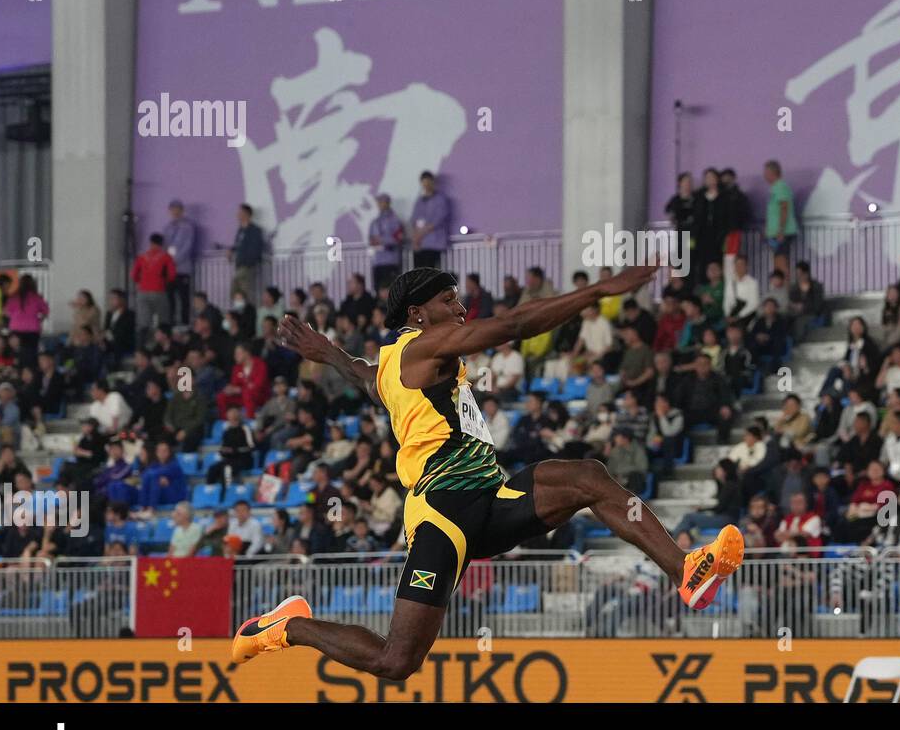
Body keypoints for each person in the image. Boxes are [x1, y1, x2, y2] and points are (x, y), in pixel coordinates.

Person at [235, 265, 744, 678]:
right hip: (443, 515)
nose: (460, 308)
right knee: (396, 661)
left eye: (459, 299)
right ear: (418, 314)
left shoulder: (392, 365)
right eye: (448, 301)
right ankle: (289, 627)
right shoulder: (422, 347)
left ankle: (686, 572)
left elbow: (364, 378)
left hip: (491, 497)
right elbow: (513, 327)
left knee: (588, 476)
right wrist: (598, 291)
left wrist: (326, 352)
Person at [2, 273, 48, 369]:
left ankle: (18, 373)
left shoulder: (13, 297)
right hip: (32, 330)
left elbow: (6, 312)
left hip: (16, 329)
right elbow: (46, 311)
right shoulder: (37, 297)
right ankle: (30, 374)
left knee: (16, 355)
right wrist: (39, 320)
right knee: (31, 355)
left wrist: (15, 317)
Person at [162, 200, 196, 325]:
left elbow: (188, 246)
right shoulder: (167, 227)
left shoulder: (188, 227)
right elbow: (165, 246)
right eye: (172, 209)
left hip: (183, 268)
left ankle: (185, 324)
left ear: (182, 211)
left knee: (184, 299)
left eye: (177, 209)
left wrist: (175, 260)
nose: (175, 212)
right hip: (170, 270)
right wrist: (167, 262)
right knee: (170, 299)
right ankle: (171, 324)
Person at [762, 160, 798, 274]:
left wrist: (781, 230)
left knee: (781, 264)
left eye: (765, 172)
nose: (764, 175)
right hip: (775, 233)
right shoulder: (774, 188)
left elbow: (784, 208)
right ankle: (779, 290)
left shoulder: (780, 187)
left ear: (772, 172)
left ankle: (784, 291)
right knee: (778, 264)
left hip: (782, 233)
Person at [410, 171, 450, 269]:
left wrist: (420, 234)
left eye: (428, 182)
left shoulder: (440, 199)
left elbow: (437, 220)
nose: (426, 185)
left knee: (431, 274)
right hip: (420, 245)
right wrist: (415, 238)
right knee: (419, 275)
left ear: (433, 182)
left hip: (434, 244)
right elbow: (414, 220)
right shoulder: (420, 201)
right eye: (424, 183)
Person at [368, 192, 405, 292]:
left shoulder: (395, 220)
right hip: (377, 261)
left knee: (391, 289)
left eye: (382, 202)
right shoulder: (375, 222)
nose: (380, 204)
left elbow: (399, 238)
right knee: (378, 289)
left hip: (390, 260)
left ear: (388, 203)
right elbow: (371, 239)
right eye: (379, 202)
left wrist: (382, 240)